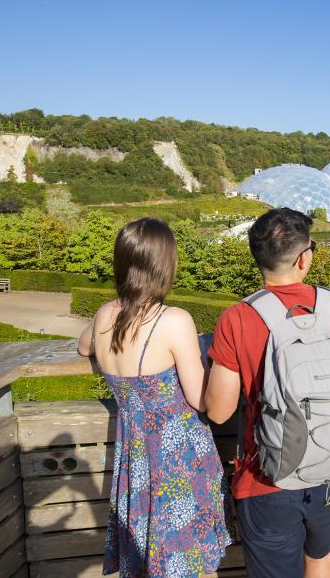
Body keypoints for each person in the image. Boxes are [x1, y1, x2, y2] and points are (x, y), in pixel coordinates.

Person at [206, 208, 330, 578]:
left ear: (257, 257)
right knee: (321, 556)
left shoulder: (238, 318)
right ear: (304, 257)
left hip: (268, 477)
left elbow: (219, 411)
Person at [78, 217, 231, 577]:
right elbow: (200, 400)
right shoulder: (174, 320)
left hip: (136, 461)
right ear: (165, 265)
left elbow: (84, 345)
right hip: (180, 459)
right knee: (191, 563)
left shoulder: (104, 315)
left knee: (148, 559)